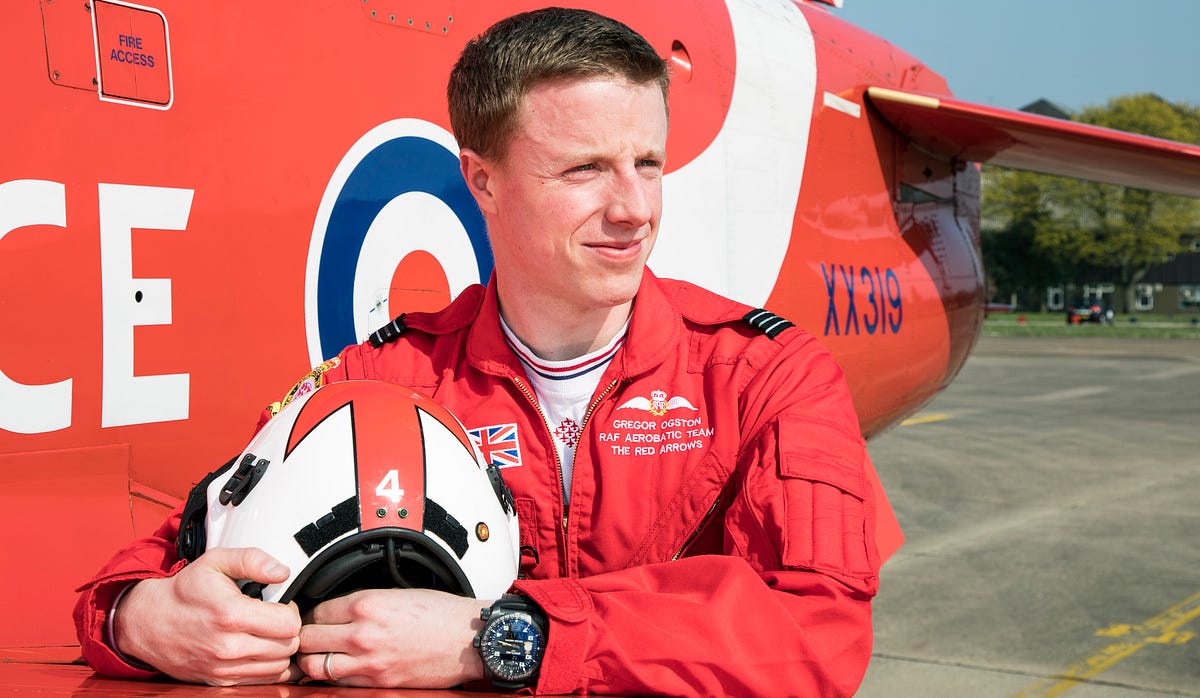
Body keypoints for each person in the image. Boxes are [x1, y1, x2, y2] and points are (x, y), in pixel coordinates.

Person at [74, 7, 881, 695]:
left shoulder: (767, 374)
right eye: (586, 169)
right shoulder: (381, 380)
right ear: (482, 181)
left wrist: (503, 635)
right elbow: (185, 550)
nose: (634, 208)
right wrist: (135, 618)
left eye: (648, 165)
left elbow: (820, 631)